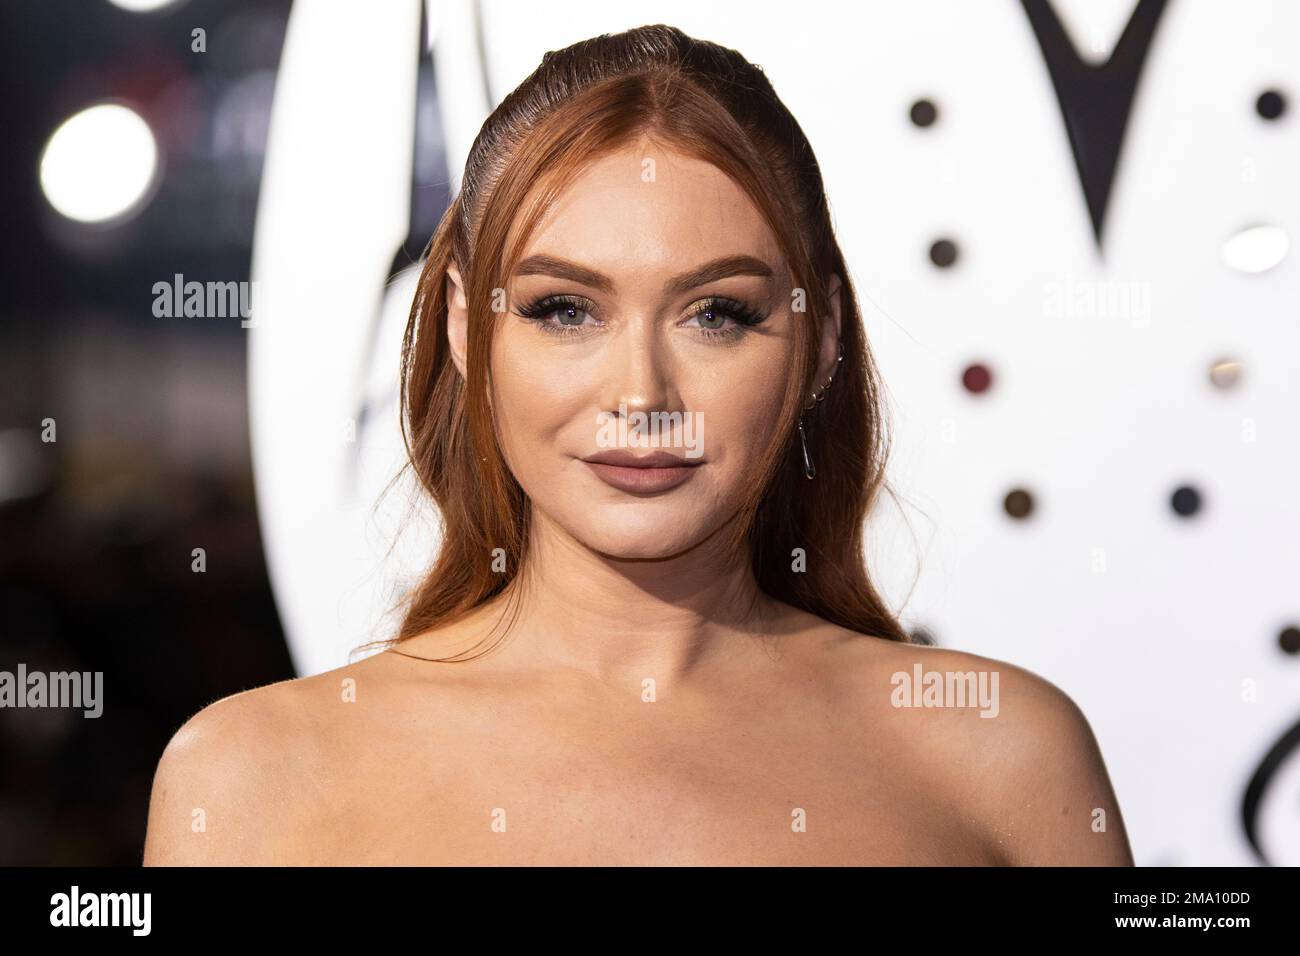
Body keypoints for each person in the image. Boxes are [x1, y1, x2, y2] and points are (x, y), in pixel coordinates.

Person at [143, 23, 1133, 866]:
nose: (641, 393)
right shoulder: (248, 780)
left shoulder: (1004, 755)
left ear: (820, 336)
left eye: (718, 313)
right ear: (462, 325)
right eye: (564, 308)